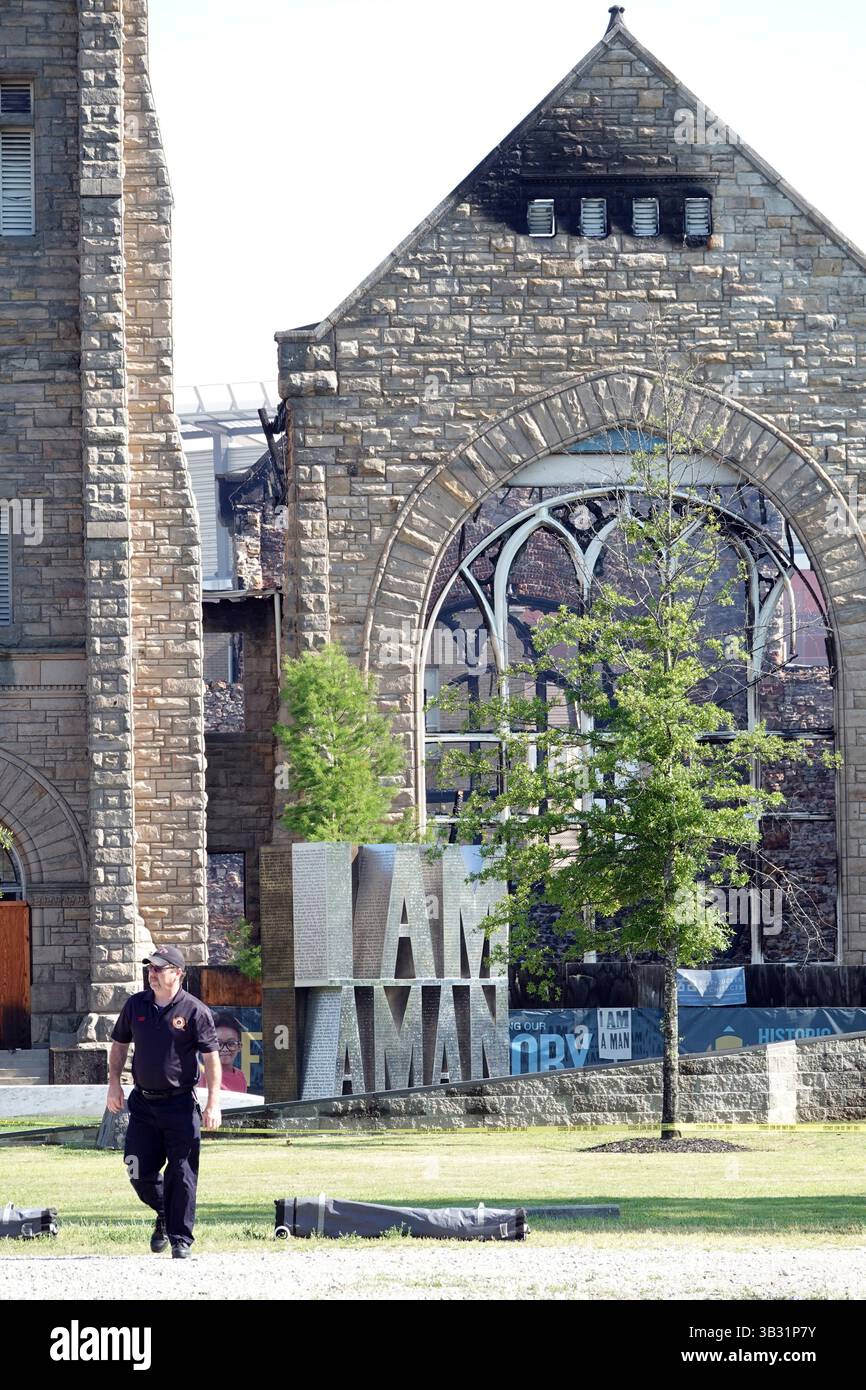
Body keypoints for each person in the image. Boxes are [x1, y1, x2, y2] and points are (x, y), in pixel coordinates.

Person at [106, 945, 221, 1259]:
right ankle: (165, 1214)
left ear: (178, 973)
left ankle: (180, 1239)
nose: (152, 973)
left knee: (182, 1174)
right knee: (136, 1169)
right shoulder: (135, 1005)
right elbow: (118, 1046)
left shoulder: (195, 1011)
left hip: (180, 1105)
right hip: (143, 1104)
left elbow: (211, 1058)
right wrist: (114, 1084)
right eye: (150, 968)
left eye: (159, 968)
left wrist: (214, 1102)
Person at [199, 1014, 248, 1094]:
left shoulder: (240, 1076)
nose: (225, 1049)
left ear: (239, 1046)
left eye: (231, 1043)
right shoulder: (203, 1076)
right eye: (218, 1043)